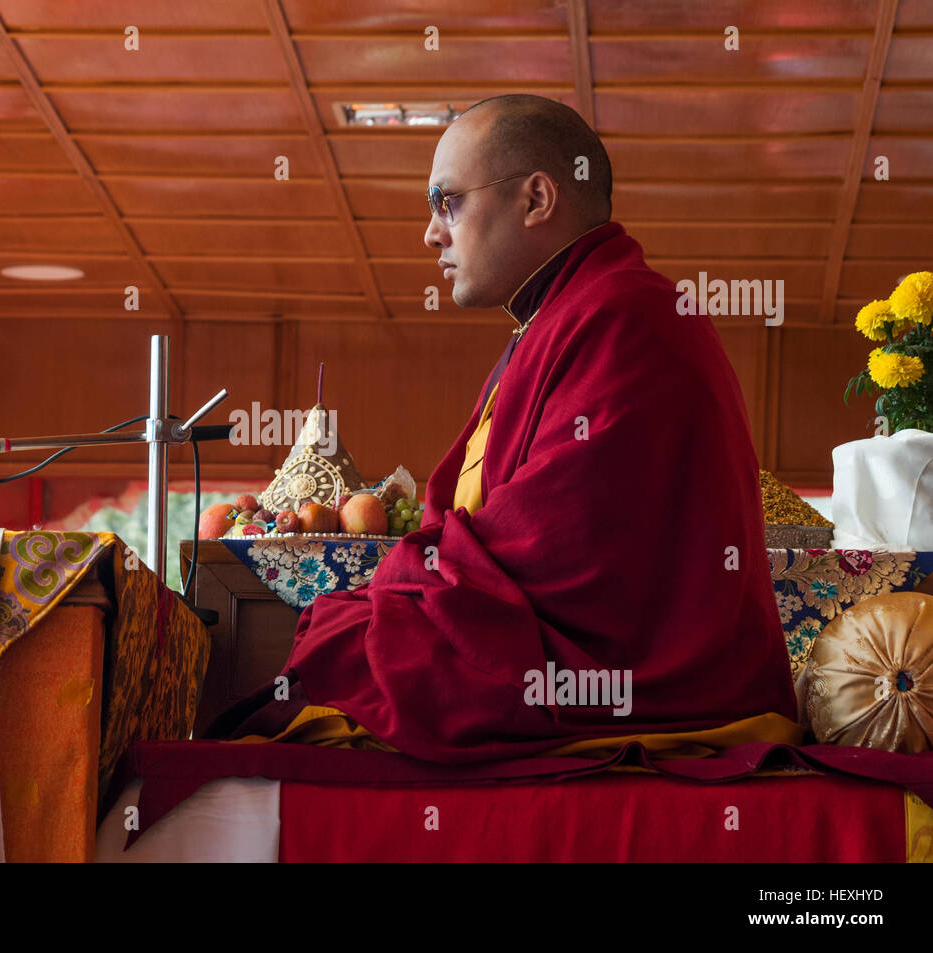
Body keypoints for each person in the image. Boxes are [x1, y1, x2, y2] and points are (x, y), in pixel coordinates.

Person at [205, 94, 800, 762]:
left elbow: (560, 545)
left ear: (536, 198)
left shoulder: (629, 317)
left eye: (448, 202)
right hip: (575, 647)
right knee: (344, 629)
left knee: (350, 652)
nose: (432, 233)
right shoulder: (560, 317)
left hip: (635, 678)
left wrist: (410, 576)